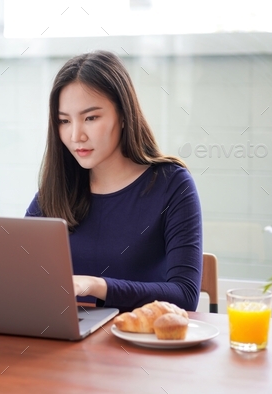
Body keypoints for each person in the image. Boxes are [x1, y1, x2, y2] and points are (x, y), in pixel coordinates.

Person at [25, 50, 202, 312]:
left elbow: (185, 295)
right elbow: (19, 279)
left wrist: (97, 286)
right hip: (69, 341)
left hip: (141, 343)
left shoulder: (172, 184)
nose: (76, 135)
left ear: (123, 115)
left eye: (91, 118)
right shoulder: (57, 189)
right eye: (64, 121)